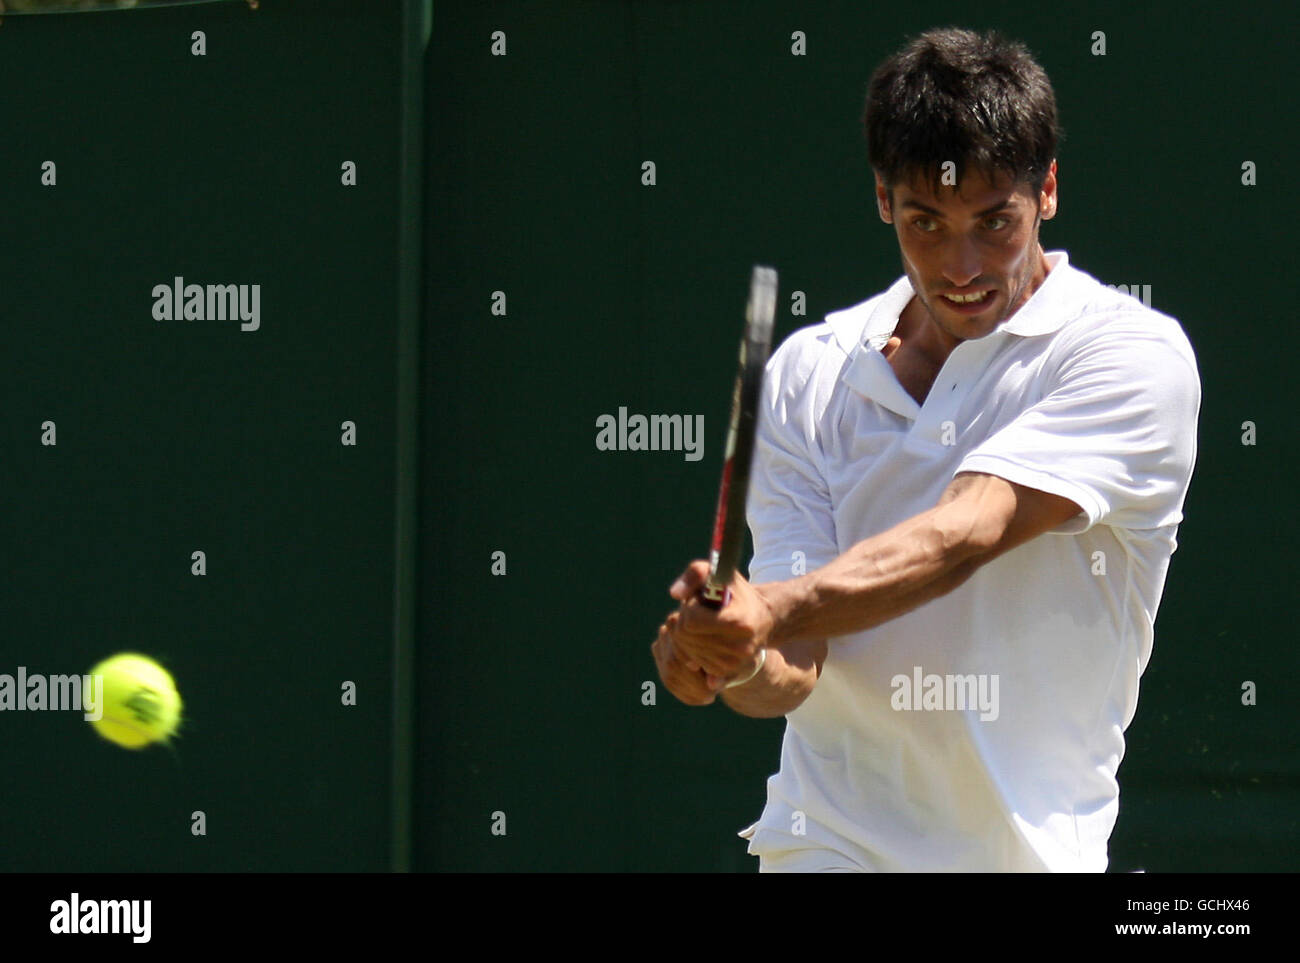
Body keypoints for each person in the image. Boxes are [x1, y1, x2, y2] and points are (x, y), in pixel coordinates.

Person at [651, 26, 1201, 872]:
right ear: (884, 200)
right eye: (927, 222)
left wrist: (776, 606)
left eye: (994, 222)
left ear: (1047, 191)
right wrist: (731, 651)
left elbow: (966, 532)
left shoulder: (1130, 357)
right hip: (827, 844)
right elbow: (794, 664)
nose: (962, 264)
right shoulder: (810, 372)